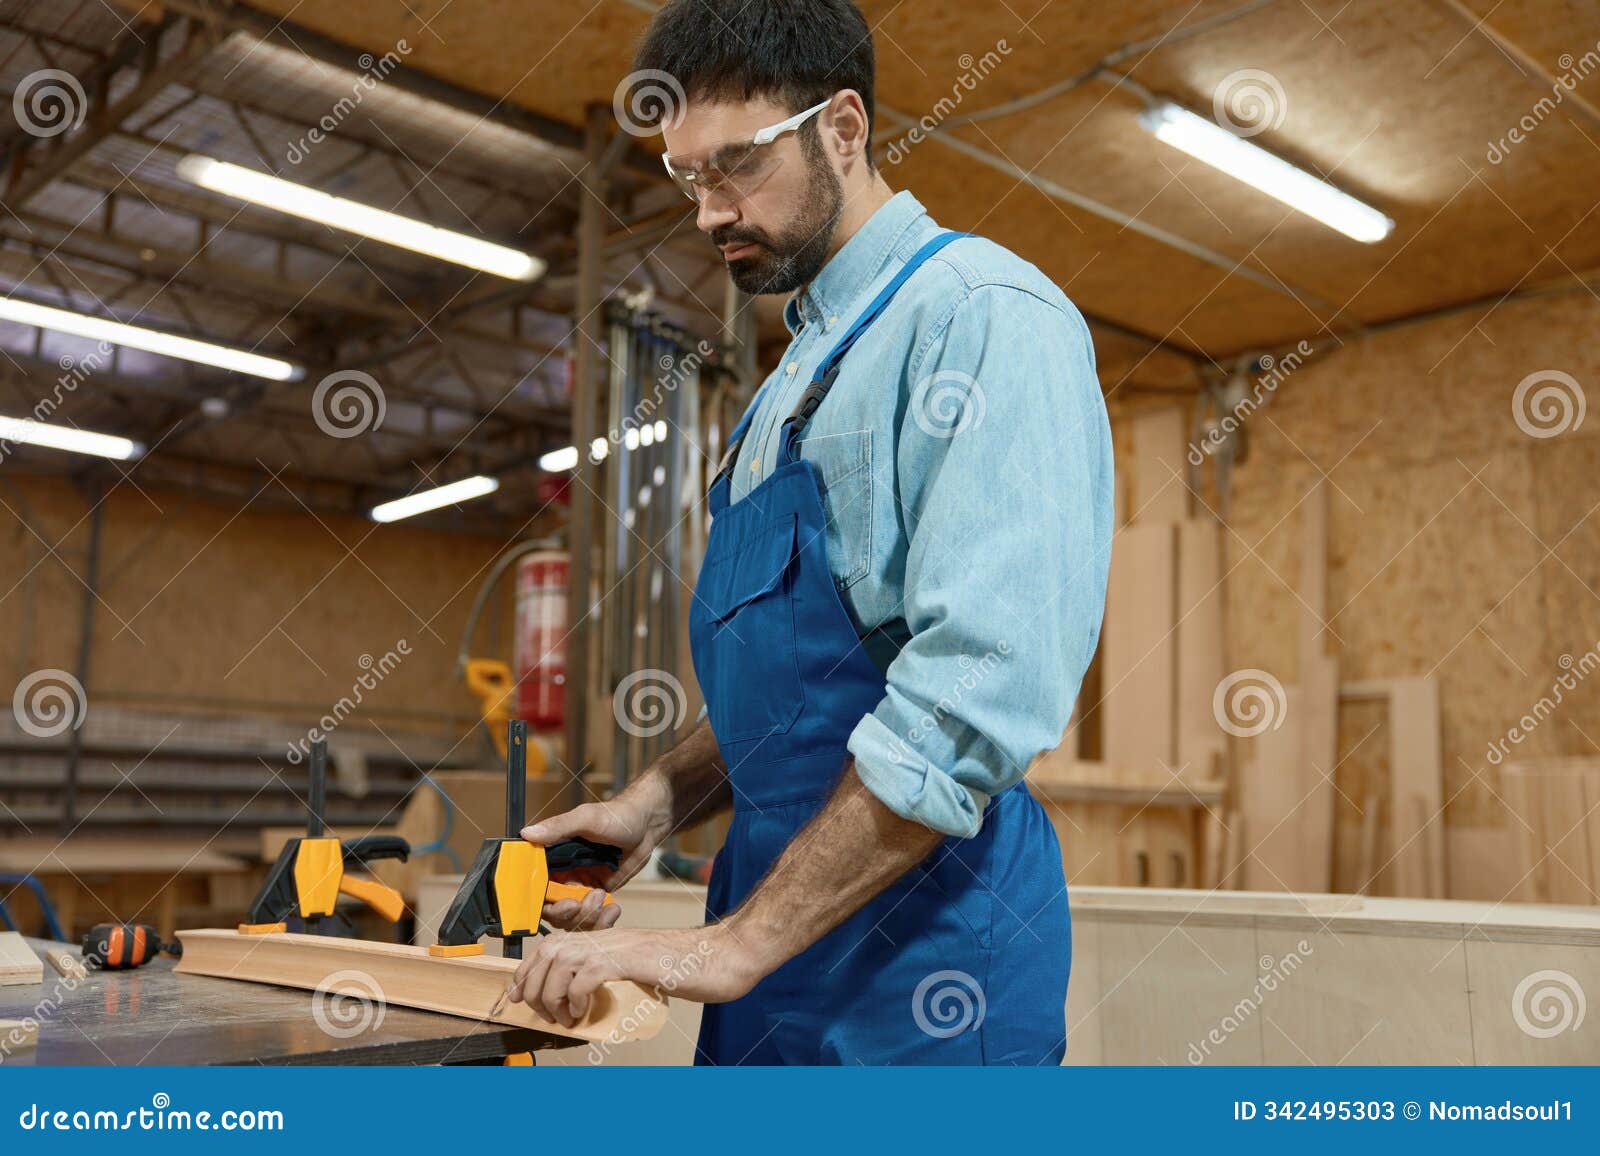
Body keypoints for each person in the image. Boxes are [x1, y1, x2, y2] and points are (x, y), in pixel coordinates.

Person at [504, 0, 1113, 1065]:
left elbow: (982, 681)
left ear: (841, 129)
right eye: (689, 176)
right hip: (772, 945)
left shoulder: (980, 318)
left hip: (927, 968)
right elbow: (799, 688)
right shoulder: (788, 380)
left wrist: (738, 944)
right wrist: (656, 804)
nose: (707, 210)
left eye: (735, 165)